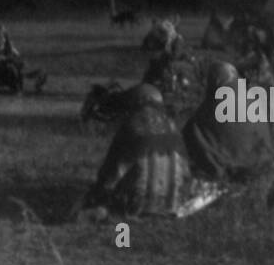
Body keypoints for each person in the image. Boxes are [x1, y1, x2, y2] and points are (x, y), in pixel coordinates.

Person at [79, 82, 206, 219]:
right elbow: (185, 171)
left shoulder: (131, 126)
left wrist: (96, 195)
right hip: (174, 204)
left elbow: (112, 172)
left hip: (137, 206)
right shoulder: (172, 126)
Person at [182, 61, 274, 183]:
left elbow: (190, 131)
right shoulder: (253, 102)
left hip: (231, 172)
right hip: (262, 167)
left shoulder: (216, 102)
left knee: (192, 131)